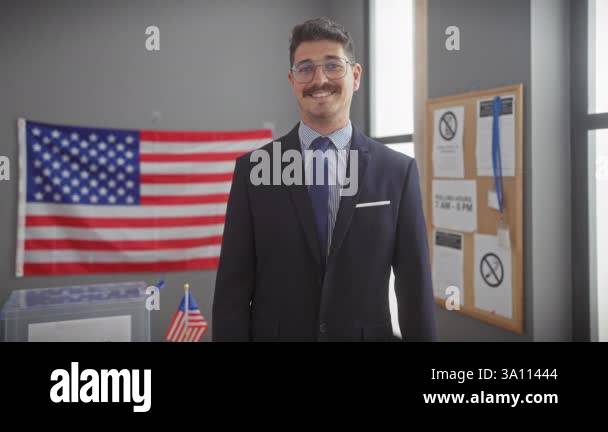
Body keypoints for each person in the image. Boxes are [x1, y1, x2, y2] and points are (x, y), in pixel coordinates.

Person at [212, 17, 436, 341]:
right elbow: (232, 293)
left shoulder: (397, 173)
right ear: (292, 80)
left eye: (333, 66)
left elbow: (415, 291)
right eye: (305, 68)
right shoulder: (253, 172)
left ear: (355, 76)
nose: (319, 79)